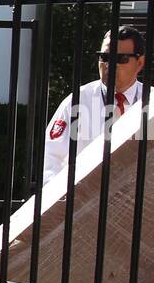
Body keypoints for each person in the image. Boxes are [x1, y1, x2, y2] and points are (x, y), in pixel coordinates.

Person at [41, 26, 147, 185]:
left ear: (139, 63)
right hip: (85, 202)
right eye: (105, 57)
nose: (110, 64)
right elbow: (50, 158)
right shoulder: (78, 100)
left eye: (121, 58)